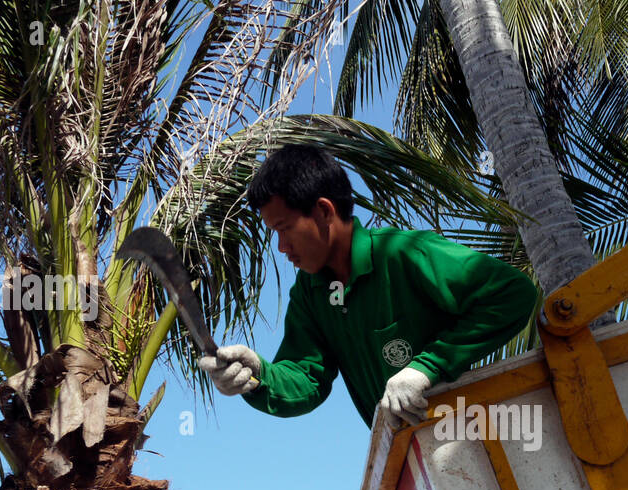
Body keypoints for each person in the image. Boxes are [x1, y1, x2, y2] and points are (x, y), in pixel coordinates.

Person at [199, 144, 541, 428]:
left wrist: (426, 368)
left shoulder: (406, 253)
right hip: (412, 460)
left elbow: (513, 294)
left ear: (322, 211)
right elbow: (307, 377)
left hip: (483, 435)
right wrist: (259, 376)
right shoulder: (310, 294)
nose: (282, 247)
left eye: (284, 228)